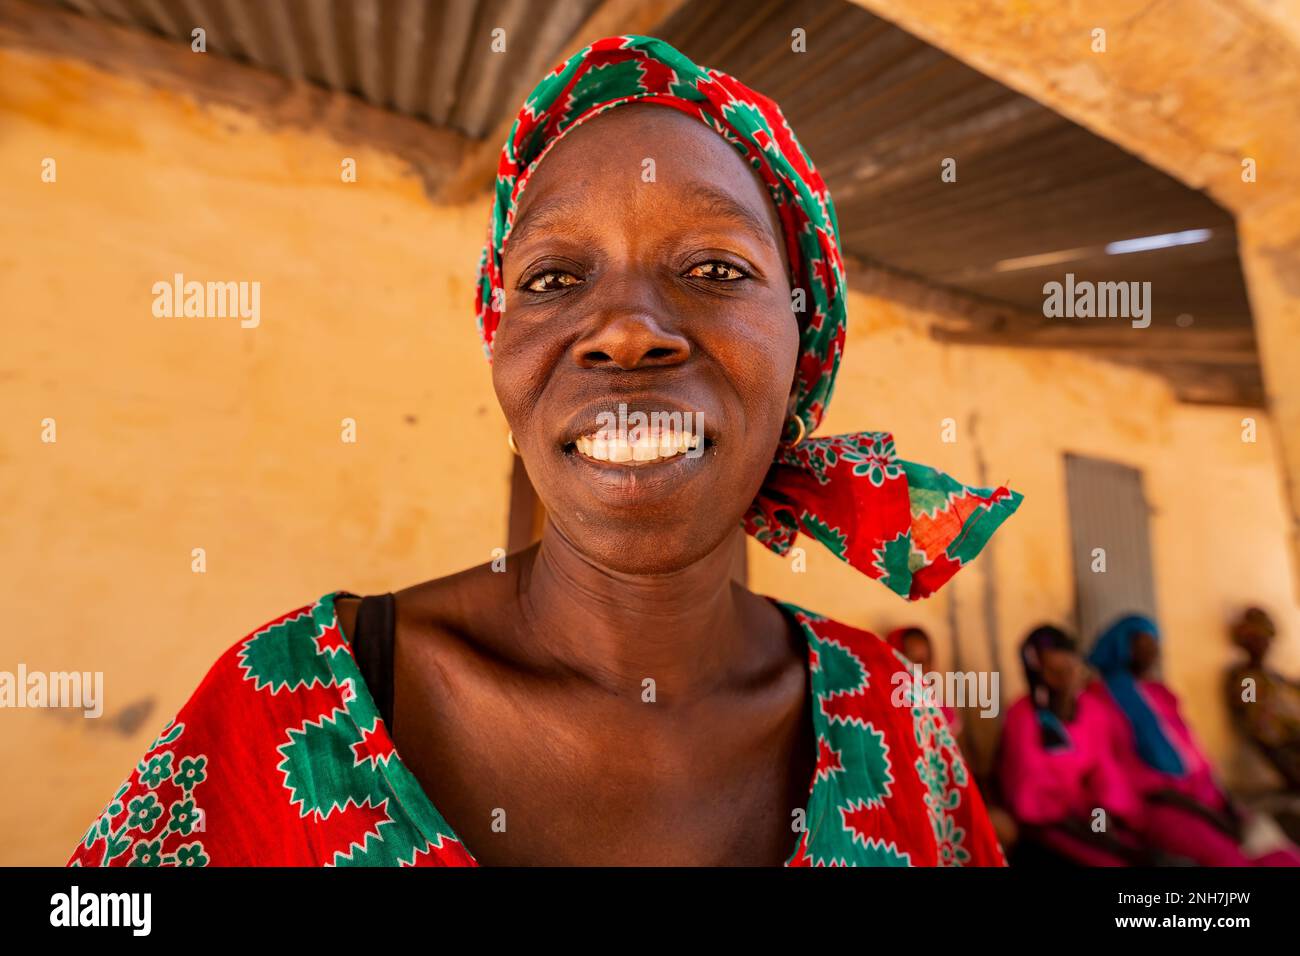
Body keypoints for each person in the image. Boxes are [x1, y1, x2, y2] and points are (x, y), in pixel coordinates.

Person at [67, 35, 1021, 868]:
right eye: (555, 275)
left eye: (717, 269)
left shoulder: (900, 725)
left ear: (804, 349)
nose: (626, 331)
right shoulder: (283, 709)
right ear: (500, 347)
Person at [1085, 614, 1300, 866]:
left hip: (1206, 796)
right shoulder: (1101, 700)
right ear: (1121, 647)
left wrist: (1226, 803)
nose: (1153, 653)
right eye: (1143, 646)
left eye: (1155, 645)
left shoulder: (1161, 694)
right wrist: (1212, 815)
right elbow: (1132, 775)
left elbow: (1194, 754)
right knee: (1232, 860)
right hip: (1165, 805)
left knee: (1283, 856)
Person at [997, 626, 1155, 866]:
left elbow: (1105, 778)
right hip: (1046, 831)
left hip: (1093, 824)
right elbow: (1032, 801)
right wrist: (1100, 838)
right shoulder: (1023, 718)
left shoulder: (1092, 712)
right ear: (1035, 674)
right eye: (1054, 672)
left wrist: (1101, 824)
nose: (1066, 680)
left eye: (1071, 669)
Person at [1225, 607, 1300, 792]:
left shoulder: (1273, 676)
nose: (1264, 645)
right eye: (1257, 639)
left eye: (1266, 639)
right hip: (1284, 743)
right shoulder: (1248, 678)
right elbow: (1253, 717)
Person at [886, 627, 961, 735]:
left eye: (928, 659)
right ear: (895, 663)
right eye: (917, 661)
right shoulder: (891, 712)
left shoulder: (938, 708)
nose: (926, 668)